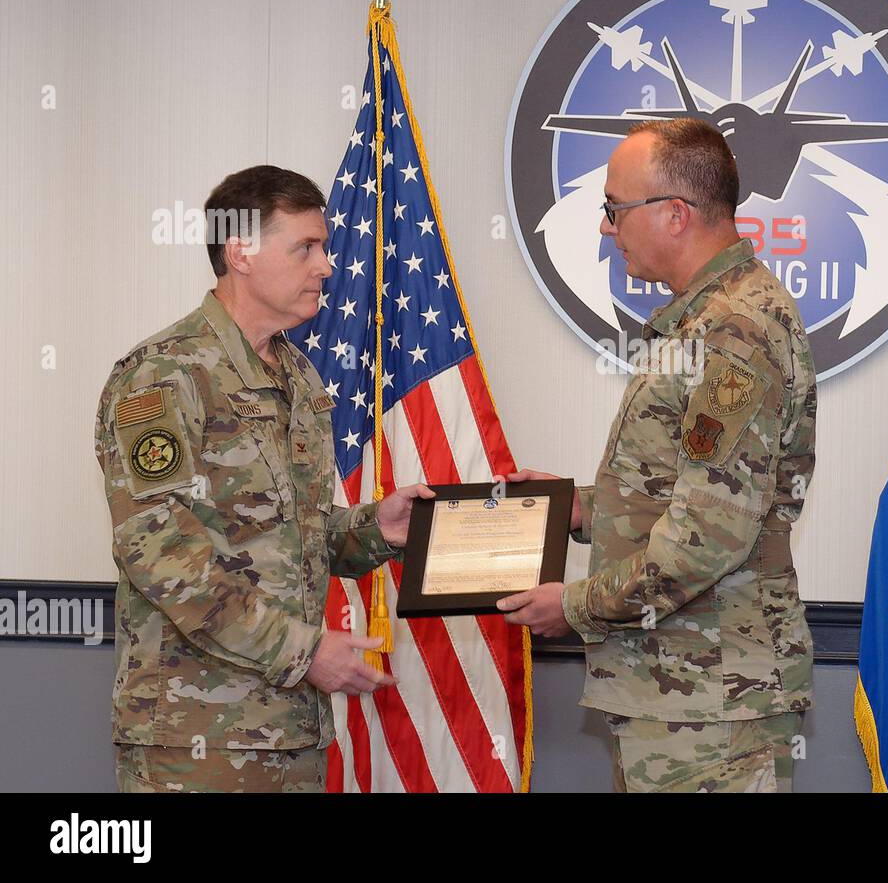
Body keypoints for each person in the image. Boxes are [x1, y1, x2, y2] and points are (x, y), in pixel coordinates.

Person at [498, 119, 818, 792]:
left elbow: (706, 538)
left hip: (711, 708)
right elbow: (683, 490)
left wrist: (576, 605)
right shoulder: (707, 318)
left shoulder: (734, 329)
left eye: (614, 209)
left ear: (674, 214)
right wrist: (573, 507)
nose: (606, 228)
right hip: (681, 697)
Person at [94, 165, 432, 792]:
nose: (325, 266)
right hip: (197, 737)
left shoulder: (296, 375)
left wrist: (376, 527)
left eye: (324, 247)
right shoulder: (162, 378)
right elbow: (162, 556)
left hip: (292, 729)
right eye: (305, 247)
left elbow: (295, 536)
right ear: (240, 253)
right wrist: (303, 651)